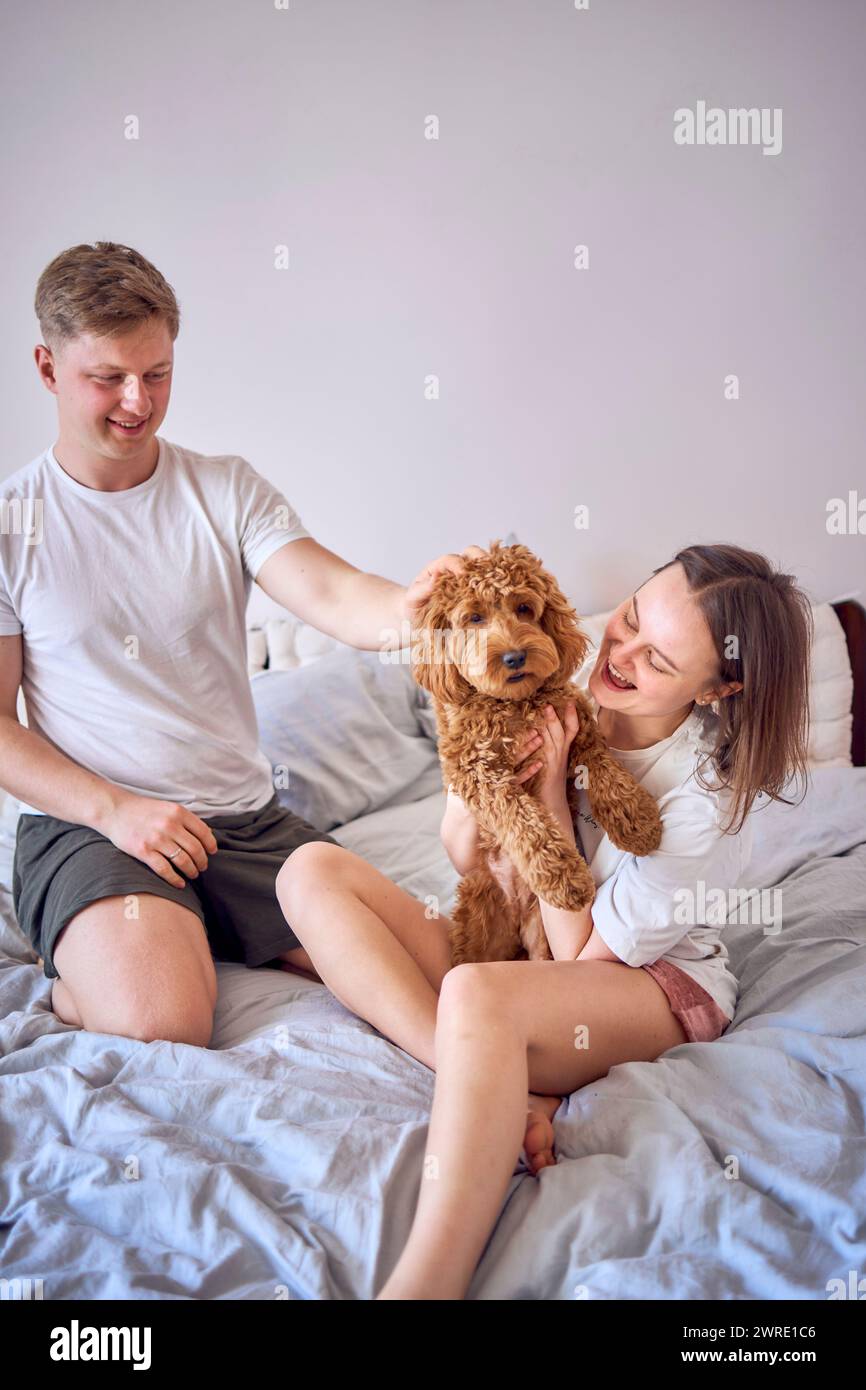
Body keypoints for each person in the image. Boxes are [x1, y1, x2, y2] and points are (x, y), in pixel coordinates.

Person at [274, 544, 814, 1299]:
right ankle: (484, 1073)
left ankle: (427, 1281)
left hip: (642, 987)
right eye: (626, 620)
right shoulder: (560, 691)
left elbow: (583, 964)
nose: (617, 654)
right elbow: (468, 857)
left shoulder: (704, 804)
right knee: (310, 871)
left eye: (655, 659)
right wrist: (479, 781)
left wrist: (555, 802)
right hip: (522, 949)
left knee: (476, 995)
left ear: (723, 685)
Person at [0, 239, 478, 1044]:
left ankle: (207, 924)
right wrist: (117, 811)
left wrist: (418, 609)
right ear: (48, 369)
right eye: (107, 377)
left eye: (156, 374)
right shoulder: (14, 524)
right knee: (165, 1023)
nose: (136, 401)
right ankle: (98, 976)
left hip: (242, 821)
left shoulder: (222, 489)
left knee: (452, 966)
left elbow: (329, 592)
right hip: (95, 825)